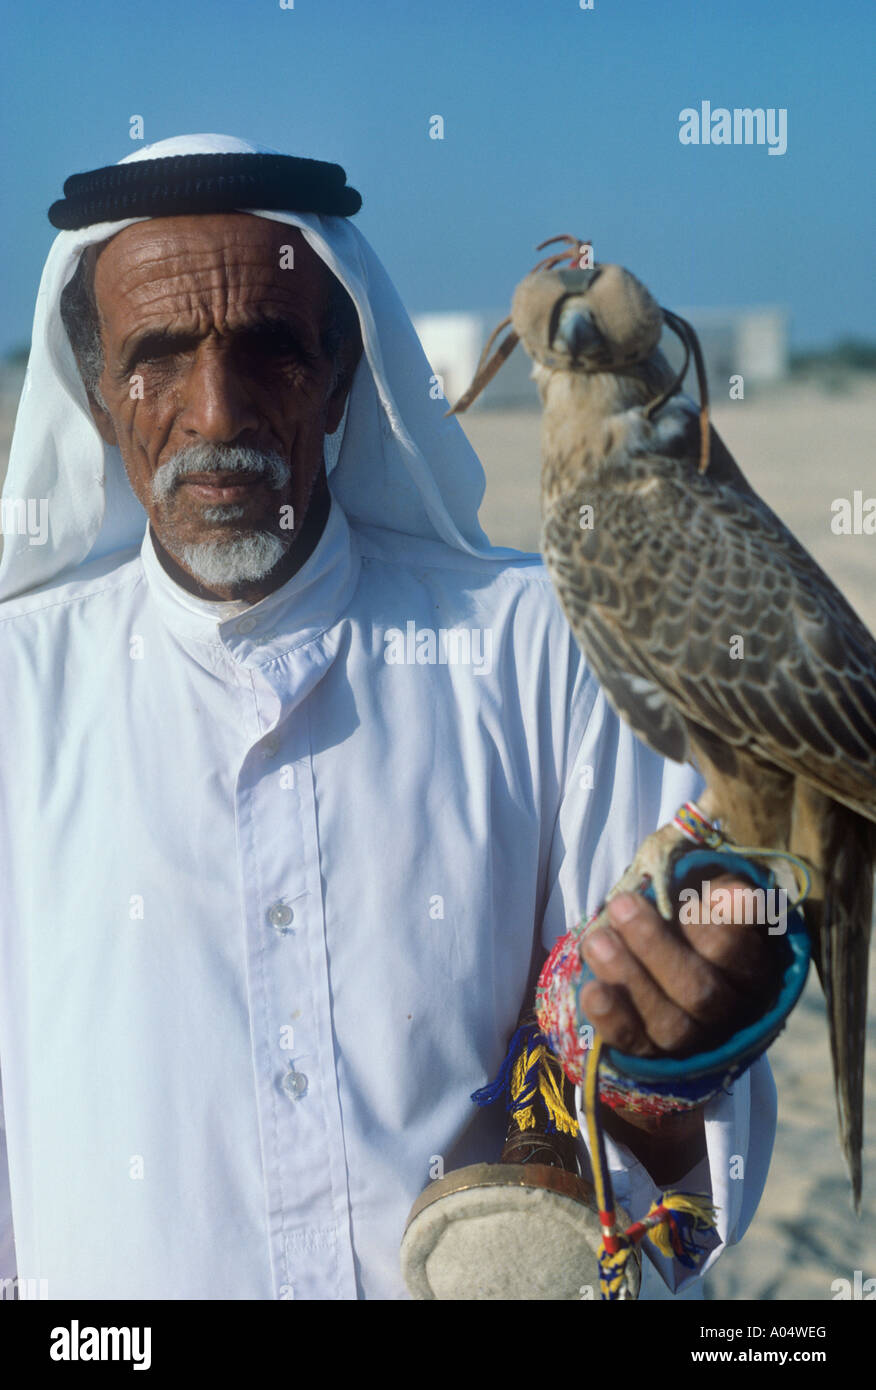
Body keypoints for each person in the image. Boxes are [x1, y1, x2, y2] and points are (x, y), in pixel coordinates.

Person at [0, 134, 779, 1301]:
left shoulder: (543, 647)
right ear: (103, 392)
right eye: (159, 356)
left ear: (343, 372)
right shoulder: (17, 696)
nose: (218, 410)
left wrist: (672, 1058)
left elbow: (672, 1115)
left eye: (269, 348)